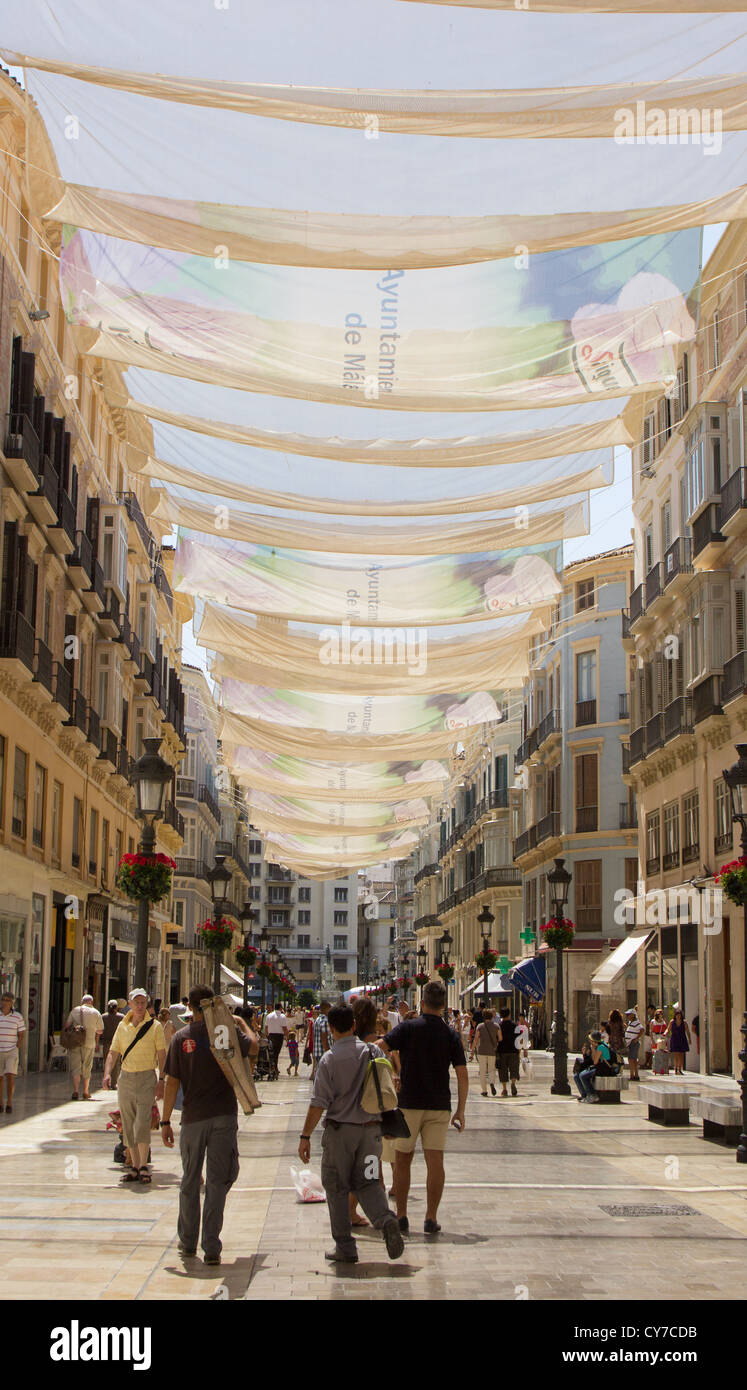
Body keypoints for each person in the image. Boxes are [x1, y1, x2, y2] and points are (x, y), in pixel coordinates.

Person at [297, 1002, 404, 1265]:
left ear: (331, 1029)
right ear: (354, 1025)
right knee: (368, 1181)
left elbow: (319, 1102)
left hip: (340, 1133)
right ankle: (386, 1220)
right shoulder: (372, 1050)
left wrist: (305, 1136)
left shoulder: (330, 1060)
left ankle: (345, 1246)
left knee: (336, 1187)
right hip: (371, 1132)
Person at [161, 984, 256, 1265]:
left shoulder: (181, 1038)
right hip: (224, 1117)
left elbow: (171, 1081)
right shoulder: (225, 1033)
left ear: (190, 1007)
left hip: (191, 1119)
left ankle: (188, 1242)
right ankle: (211, 1245)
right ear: (212, 1004)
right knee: (218, 1180)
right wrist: (242, 1022)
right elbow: (253, 1045)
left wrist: (166, 1120)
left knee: (190, 1180)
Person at [379, 979, 467, 1236]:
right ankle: (431, 1217)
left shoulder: (408, 1028)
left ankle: (402, 1214)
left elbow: (380, 1047)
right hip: (439, 1106)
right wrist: (460, 1110)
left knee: (403, 1159)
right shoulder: (450, 1034)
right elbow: (462, 1074)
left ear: (423, 1002)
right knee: (435, 1161)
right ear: (443, 1005)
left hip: (409, 1104)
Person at [102, 988, 166, 1184]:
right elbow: (113, 1052)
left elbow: (162, 1055)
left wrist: (161, 1079)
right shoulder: (122, 1027)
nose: (139, 1005)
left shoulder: (154, 1027)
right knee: (128, 1123)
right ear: (129, 1004)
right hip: (126, 1078)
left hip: (147, 1076)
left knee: (143, 1122)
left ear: (146, 1004)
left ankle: (144, 1165)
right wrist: (107, 1073)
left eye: (142, 1002)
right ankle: (135, 1166)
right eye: (135, 1002)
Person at [66, 993, 104, 1100]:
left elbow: (67, 1025)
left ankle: (76, 1091)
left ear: (82, 1002)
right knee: (87, 1067)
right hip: (89, 1043)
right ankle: (86, 1091)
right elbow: (100, 1030)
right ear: (91, 1002)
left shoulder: (75, 1010)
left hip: (75, 1043)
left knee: (76, 1067)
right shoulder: (96, 1012)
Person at [0, 992, 25, 1113]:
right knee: (0, 1077)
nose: (4, 1002)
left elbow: (21, 1034)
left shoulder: (18, 1017)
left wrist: (17, 1047)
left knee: (10, 1075)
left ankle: (9, 1102)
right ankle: (0, 1103)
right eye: (3, 1000)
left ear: (12, 1003)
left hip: (11, 1050)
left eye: (7, 1000)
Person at [574, 1031, 613, 1102]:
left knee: (583, 1075)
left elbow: (595, 1061)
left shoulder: (601, 1047)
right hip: (599, 1067)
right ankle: (585, 1095)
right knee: (578, 1075)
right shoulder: (598, 1046)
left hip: (604, 1069)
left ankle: (592, 1094)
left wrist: (593, 1049)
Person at [474, 1008, 501, 1096]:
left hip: (482, 1050)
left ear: (483, 1016)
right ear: (492, 1016)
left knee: (482, 1070)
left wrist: (472, 1049)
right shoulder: (496, 1026)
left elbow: (476, 1038)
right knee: (491, 1069)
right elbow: (500, 1038)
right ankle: (492, 1083)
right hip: (492, 1050)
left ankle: (484, 1090)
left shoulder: (480, 1026)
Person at [496, 1007, 520, 1097]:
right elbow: (519, 1039)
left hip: (502, 1051)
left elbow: (497, 1039)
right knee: (514, 1068)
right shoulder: (515, 1026)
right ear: (509, 1014)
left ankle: (504, 1089)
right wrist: (520, 1051)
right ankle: (513, 1084)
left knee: (503, 1070)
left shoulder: (499, 1026)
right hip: (513, 1050)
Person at [265, 1003, 289, 1076]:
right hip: (279, 1036)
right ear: (281, 1008)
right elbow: (284, 1028)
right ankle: (274, 1068)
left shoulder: (269, 1016)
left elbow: (266, 1028)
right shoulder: (282, 1016)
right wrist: (287, 1036)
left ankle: (273, 1067)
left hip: (271, 1035)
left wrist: (267, 1036)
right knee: (276, 1053)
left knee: (271, 1052)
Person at [666, 1009, 691, 1075]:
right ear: (675, 1015)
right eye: (677, 1015)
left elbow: (687, 1031)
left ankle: (680, 1068)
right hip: (675, 1039)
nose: (678, 1016)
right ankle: (676, 1068)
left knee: (681, 1055)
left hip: (682, 1039)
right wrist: (664, 1034)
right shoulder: (672, 1022)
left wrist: (689, 1039)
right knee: (676, 1054)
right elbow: (668, 1029)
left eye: (679, 1015)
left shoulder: (684, 1022)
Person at [311, 1000, 331, 1078]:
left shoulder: (317, 1020)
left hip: (317, 1051)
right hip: (323, 1051)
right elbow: (324, 1037)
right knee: (324, 1075)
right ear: (326, 1009)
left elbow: (314, 1036)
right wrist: (328, 1052)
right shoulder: (325, 1020)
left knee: (319, 1072)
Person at [624, 1008, 644, 1081]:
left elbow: (642, 1029)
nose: (627, 1016)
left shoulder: (636, 1022)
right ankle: (634, 1074)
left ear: (633, 1015)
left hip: (633, 1043)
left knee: (632, 1059)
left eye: (629, 1014)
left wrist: (636, 1038)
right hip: (630, 1042)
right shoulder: (631, 1022)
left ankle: (633, 1075)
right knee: (633, 1059)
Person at [651, 1008, 670, 1075]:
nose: (661, 1014)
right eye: (659, 1013)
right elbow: (651, 1031)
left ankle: (662, 1068)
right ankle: (655, 1068)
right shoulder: (653, 1021)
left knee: (663, 1053)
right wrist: (652, 1040)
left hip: (662, 1039)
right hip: (656, 1038)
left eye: (662, 1013)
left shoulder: (663, 1022)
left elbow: (667, 1029)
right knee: (655, 1054)